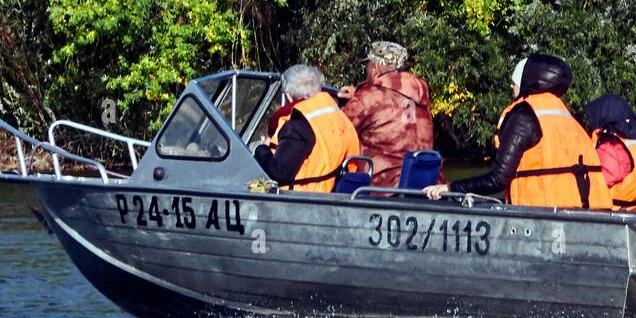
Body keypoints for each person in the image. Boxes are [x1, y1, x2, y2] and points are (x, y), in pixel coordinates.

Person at [426, 54, 610, 210]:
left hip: (539, 218)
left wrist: (450, 187)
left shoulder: (524, 115)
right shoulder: (565, 115)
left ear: (525, 83)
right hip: (582, 213)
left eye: (514, 83)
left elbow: (498, 178)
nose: (511, 87)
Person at [337, 40, 433, 188]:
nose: (367, 70)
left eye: (367, 65)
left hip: (382, 187)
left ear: (375, 67)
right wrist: (358, 94)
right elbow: (394, 106)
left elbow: (337, 130)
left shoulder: (368, 98)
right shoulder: (419, 94)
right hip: (425, 183)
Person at [254, 64, 360, 192]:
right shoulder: (336, 114)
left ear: (288, 95)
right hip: (329, 194)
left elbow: (280, 172)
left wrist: (262, 149)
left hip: (300, 201)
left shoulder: (299, 124)